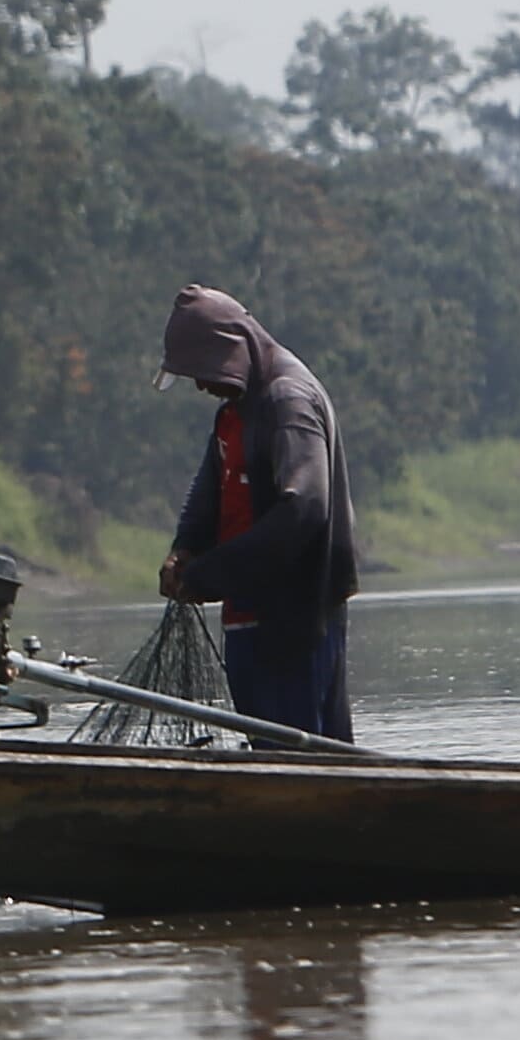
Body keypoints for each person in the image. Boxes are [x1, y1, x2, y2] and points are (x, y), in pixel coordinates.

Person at [155, 283, 360, 744]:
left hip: (292, 621)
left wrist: (212, 573)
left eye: (203, 373)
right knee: (272, 751)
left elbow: (305, 508)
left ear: (231, 351)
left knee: (302, 759)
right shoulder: (237, 408)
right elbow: (210, 487)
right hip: (248, 614)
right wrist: (185, 551)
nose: (202, 386)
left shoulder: (287, 401)